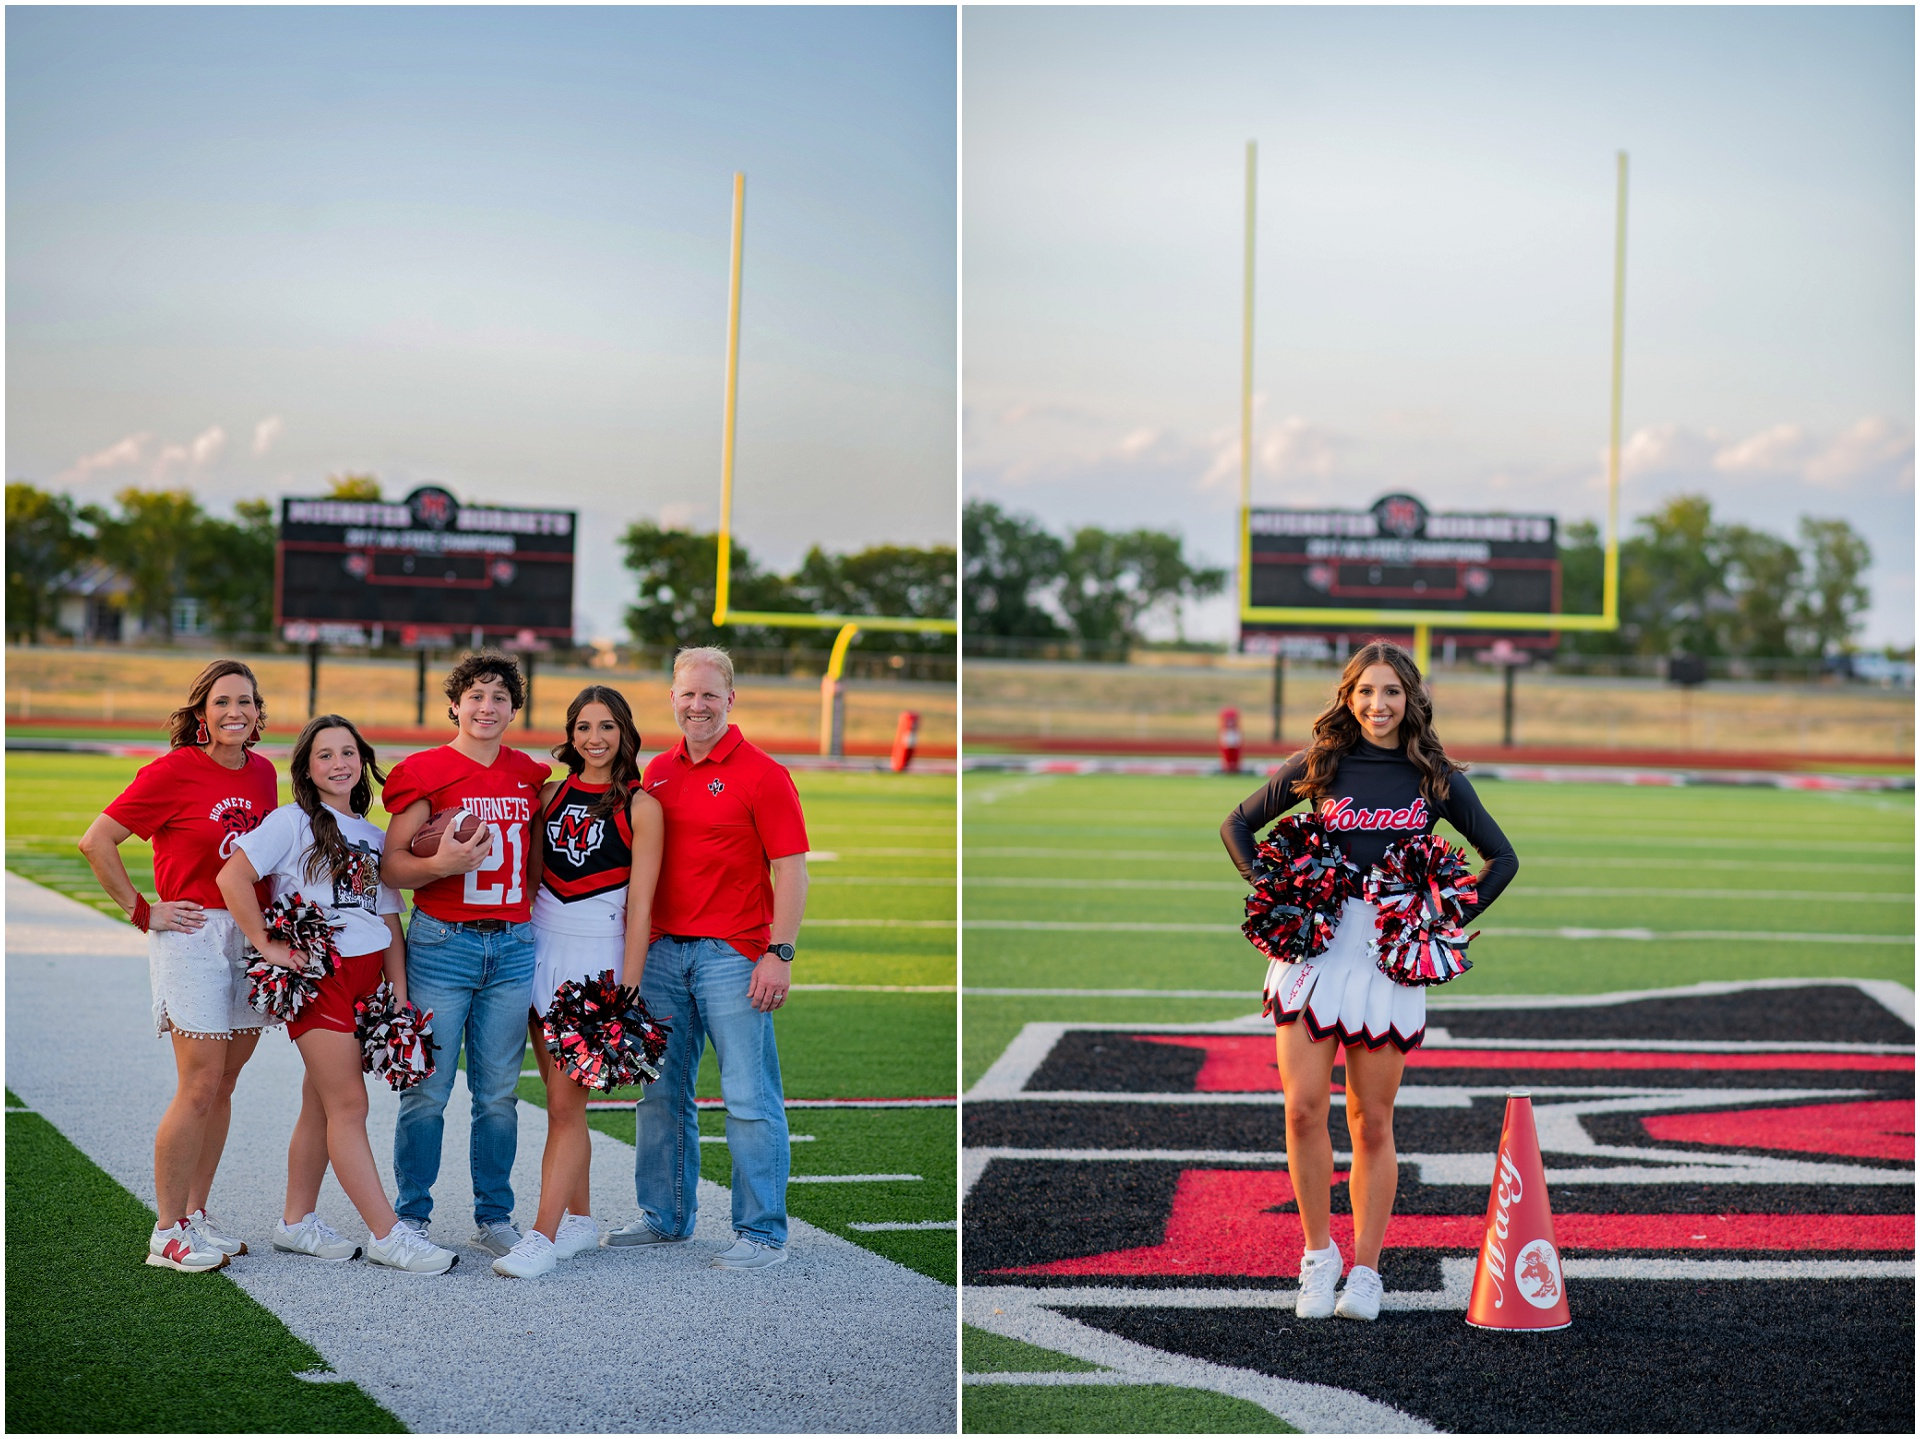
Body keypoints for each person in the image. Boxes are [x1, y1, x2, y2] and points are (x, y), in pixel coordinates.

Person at [1221, 640, 1517, 1321]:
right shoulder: (1321, 762)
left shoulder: (1435, 777)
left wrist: (1442, 919)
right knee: (1302, 1107)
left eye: (1390, 692)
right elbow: (1237, 823)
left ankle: (1366, 1270)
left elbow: (1501, 858)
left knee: (1371, 1119)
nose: (1377, 704)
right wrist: (1273, 889)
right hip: (1316, 945)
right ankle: (1317, 1255)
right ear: (1348, 697)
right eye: (1365, 691)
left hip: (1388, 953)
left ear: (1411, 699)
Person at [217, 714, 460, 1275]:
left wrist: (398, 996)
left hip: (368, 980)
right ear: (306, 768)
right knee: (349, 1105)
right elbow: (232, 877)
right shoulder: (291, 822)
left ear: (362, 760)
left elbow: (389, 920)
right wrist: (267, 945)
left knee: (320, 1102)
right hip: (320, 978)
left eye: (347, 752)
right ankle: (388, 1235)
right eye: (324, 755)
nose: (339, 763)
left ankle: (296, 1221)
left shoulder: (374, 836)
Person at [607, 646, 809, 1269]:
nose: (698, 706)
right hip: (663, 954)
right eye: (688, 695)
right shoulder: (657, 771)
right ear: (672, 698)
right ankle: (665, 1217)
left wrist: (779, 953)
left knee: (749, 1097)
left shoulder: (764, 774)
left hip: (733, 957)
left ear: (730, 699)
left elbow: (792, 870)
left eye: (709, 695)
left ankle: (762, 1233)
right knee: (659, 1096)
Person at [78, 659, 279, 1272]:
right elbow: (96, 840)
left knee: (224, 1084)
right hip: (192, 935)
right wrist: (143, 911)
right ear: (201, 714)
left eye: (245, 701)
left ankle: (195, 1214)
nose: (235, 712)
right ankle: (165, 1232)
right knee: (198, 1084)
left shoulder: (264, 773)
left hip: (249, 935)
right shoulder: (172, 771)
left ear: (258, 712)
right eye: (222, 702)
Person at [379, 650, 550, 1258]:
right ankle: (412, 1214)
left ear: (513, 709)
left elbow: (533, 863)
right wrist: (440, 865)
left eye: (500, 696)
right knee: (426, 1089)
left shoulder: (528, 774)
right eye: (476, 695)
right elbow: (391, 865)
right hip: (443, 944)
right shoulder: (424, 770)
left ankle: (494, 1215)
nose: (487, 706)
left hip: (512, 945)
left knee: (498, 1094)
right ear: (455, 705)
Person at [493, 686, 664, 1278]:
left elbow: (642, 907)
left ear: (625, 734)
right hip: (539, 950)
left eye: (608, 726)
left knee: (567, 1105)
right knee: (558, 1100)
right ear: (570, 734)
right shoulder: (549, 795)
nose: (596, 738)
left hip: (597, 962)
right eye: (585, 727)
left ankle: (541, 1236)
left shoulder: (642, 806)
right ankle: (580, 1220)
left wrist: (628, 992)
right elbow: (532, 878)